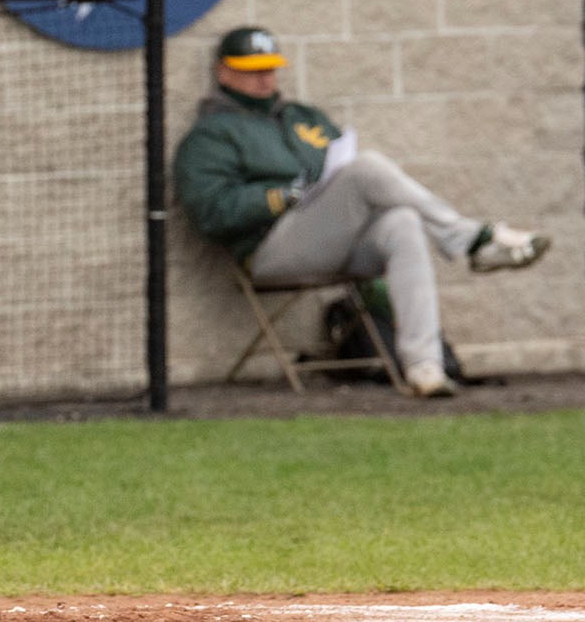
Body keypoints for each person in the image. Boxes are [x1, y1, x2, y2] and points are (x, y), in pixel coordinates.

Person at [173, 26, 549, 398]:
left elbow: (342, 167)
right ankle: (472, 240)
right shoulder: (209, 135)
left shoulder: (303, 117)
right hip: (270, 248)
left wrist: (324, 189)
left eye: (269, 68)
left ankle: (424, 367)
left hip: (331, 237)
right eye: (252, 69)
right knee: (368, 167)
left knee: (402, 222)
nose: (264, 78)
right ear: (223, 72)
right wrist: (280, 196)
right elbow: (211, 213)